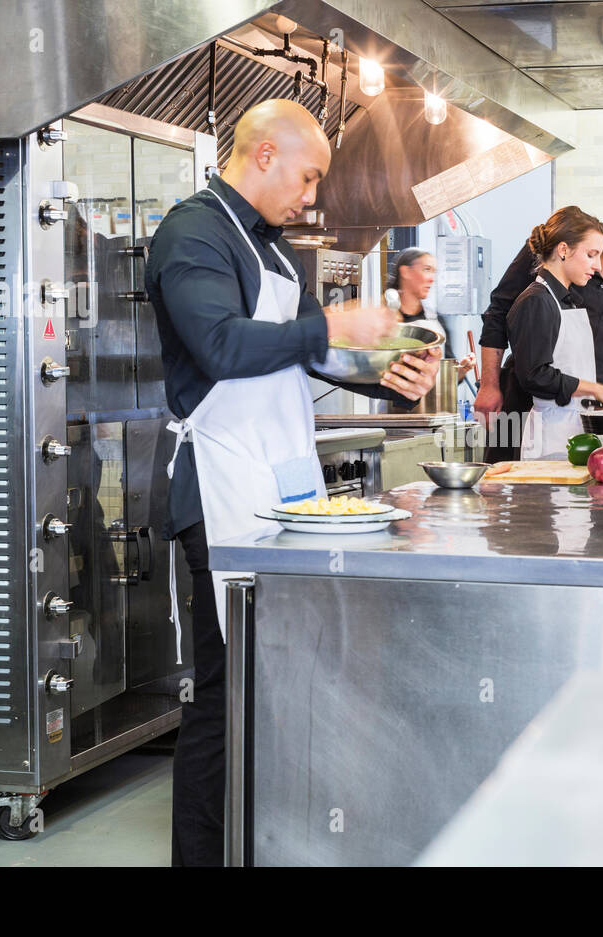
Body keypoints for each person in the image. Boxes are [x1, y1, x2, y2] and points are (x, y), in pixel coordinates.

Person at [144, 99, 440, 867]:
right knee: (223, 696)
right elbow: (221, 346)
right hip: (218, 491)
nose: (313, 197)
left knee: (276, 689)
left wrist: (392, 375)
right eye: (309, 177)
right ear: (265, 154)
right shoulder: (193, 231)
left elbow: (313, 355)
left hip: (279, 490)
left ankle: (267, 841)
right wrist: (334, 326)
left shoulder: (273, 252)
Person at [474, 179, 603, 461]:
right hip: (525, 402)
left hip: (594, 413)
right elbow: (498, 311)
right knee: (506, 485)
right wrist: (489, 385)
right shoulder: (548, 262)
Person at [506, 206, 603, 459]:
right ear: (563, 250)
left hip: (570, 433)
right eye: (591, 254)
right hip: (550, 442)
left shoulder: (564, 299)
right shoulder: (536, 301)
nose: (598, 266)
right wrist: (593, 388)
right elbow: (534, 375)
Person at [386, 247, 474, 379]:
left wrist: (461, 371)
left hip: (437, 399)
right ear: (405, 272)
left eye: (434, 272)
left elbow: (445, 378)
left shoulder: (436, 320)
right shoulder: (384, 319)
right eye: (426, 269)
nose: (432, 278)